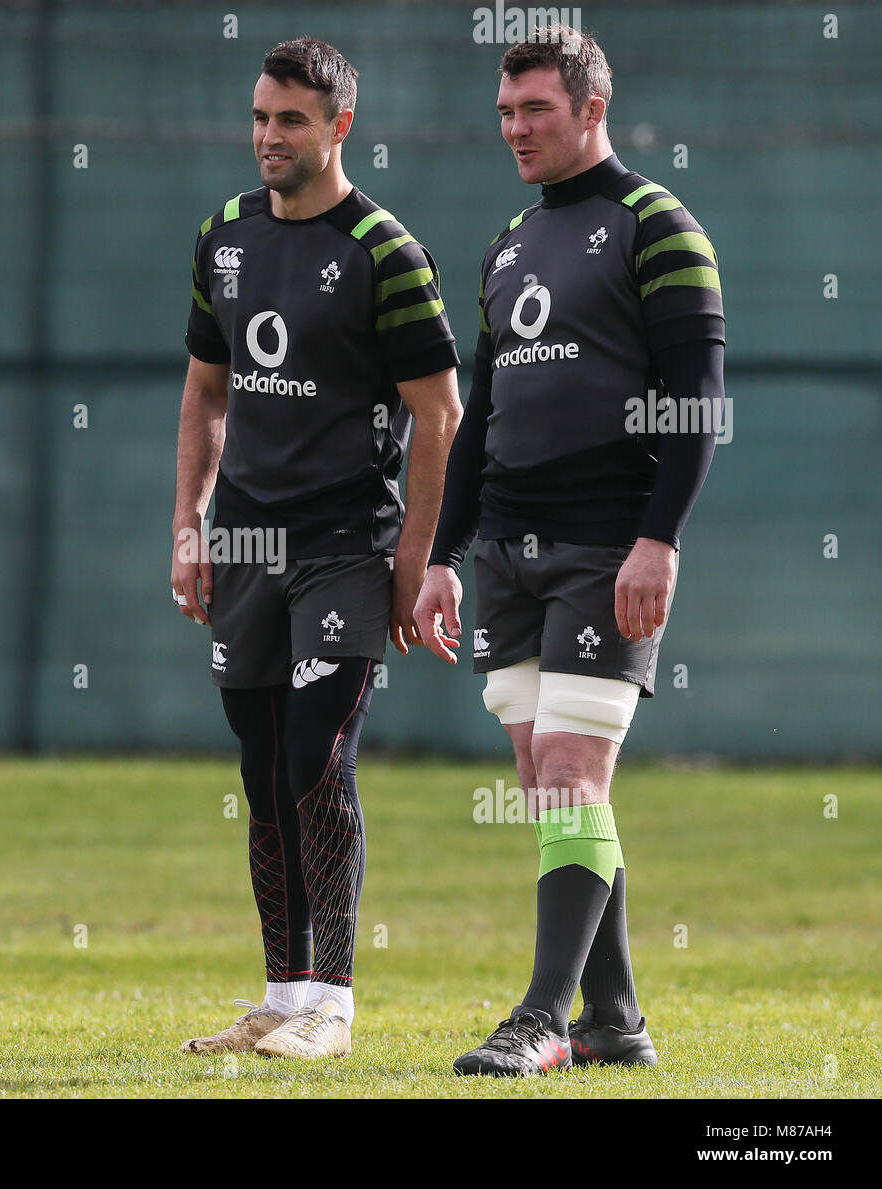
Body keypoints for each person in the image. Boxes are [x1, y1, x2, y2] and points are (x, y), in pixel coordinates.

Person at [414, 25, 725, 1076]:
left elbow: (697, 401)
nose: (515, 129)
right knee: (548, 785)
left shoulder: (657, 225)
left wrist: (658, 540)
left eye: (534, 110)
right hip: (504, 549)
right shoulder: (507, 243)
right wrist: (444, 556)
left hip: (605, 542)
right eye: (505, 113)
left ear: (591, 109)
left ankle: (542, 1017)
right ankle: (614, 1018)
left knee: (567, 771)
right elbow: (480, 418)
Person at [172, 37, 461, 1059]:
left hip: (343, 540)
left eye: (290, 119)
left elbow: (440, 414)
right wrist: (190, 525)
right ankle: (281, 993)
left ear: (340, 125)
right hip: (243, 541)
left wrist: (416, 558)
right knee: (260, 767)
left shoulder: (385, 251)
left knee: (316, 757)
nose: (267, 137)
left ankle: (332, 1005)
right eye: (258, 116)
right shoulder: (223, 236)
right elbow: (207, 391)